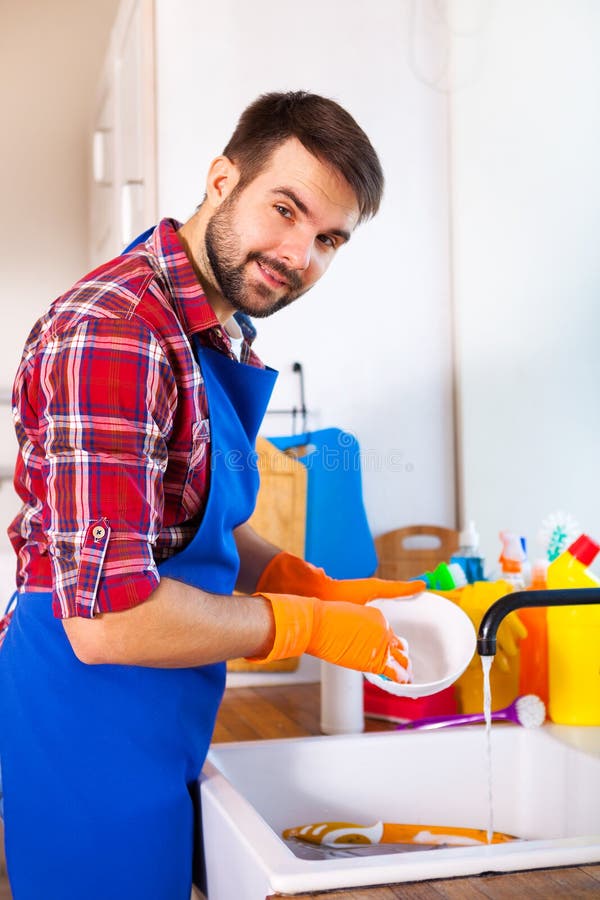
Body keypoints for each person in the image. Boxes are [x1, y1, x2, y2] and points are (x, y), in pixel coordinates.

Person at [0, 91, 425, 899]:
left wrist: (301, 582)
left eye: (328, 239)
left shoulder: (207, 329)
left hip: (160, 703)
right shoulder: (118, 330)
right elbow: (109, 620)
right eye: (286, 209)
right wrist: (304, 625)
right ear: (223, 179)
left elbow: (183, 521)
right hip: (88, 713)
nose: (299, 254)